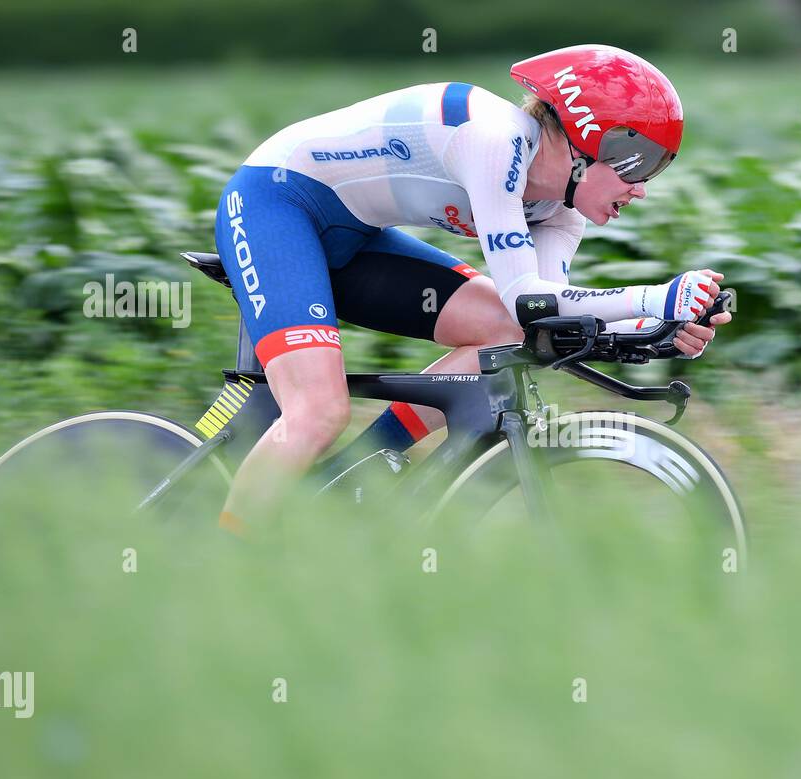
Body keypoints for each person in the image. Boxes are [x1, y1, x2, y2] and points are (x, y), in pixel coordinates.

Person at [212, 43, 731, 537]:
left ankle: (352, 480)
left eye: (657, 170)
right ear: (588, 141)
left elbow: (538, 319)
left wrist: (656, 329)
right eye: (638, 165)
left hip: (352, 235)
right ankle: (222, 573)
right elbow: (529, 295)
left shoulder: (562, 212)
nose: (642, 188)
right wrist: (655, 298)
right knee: (318, 410)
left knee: (506, 333)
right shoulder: (497, 140)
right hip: (275, 205)